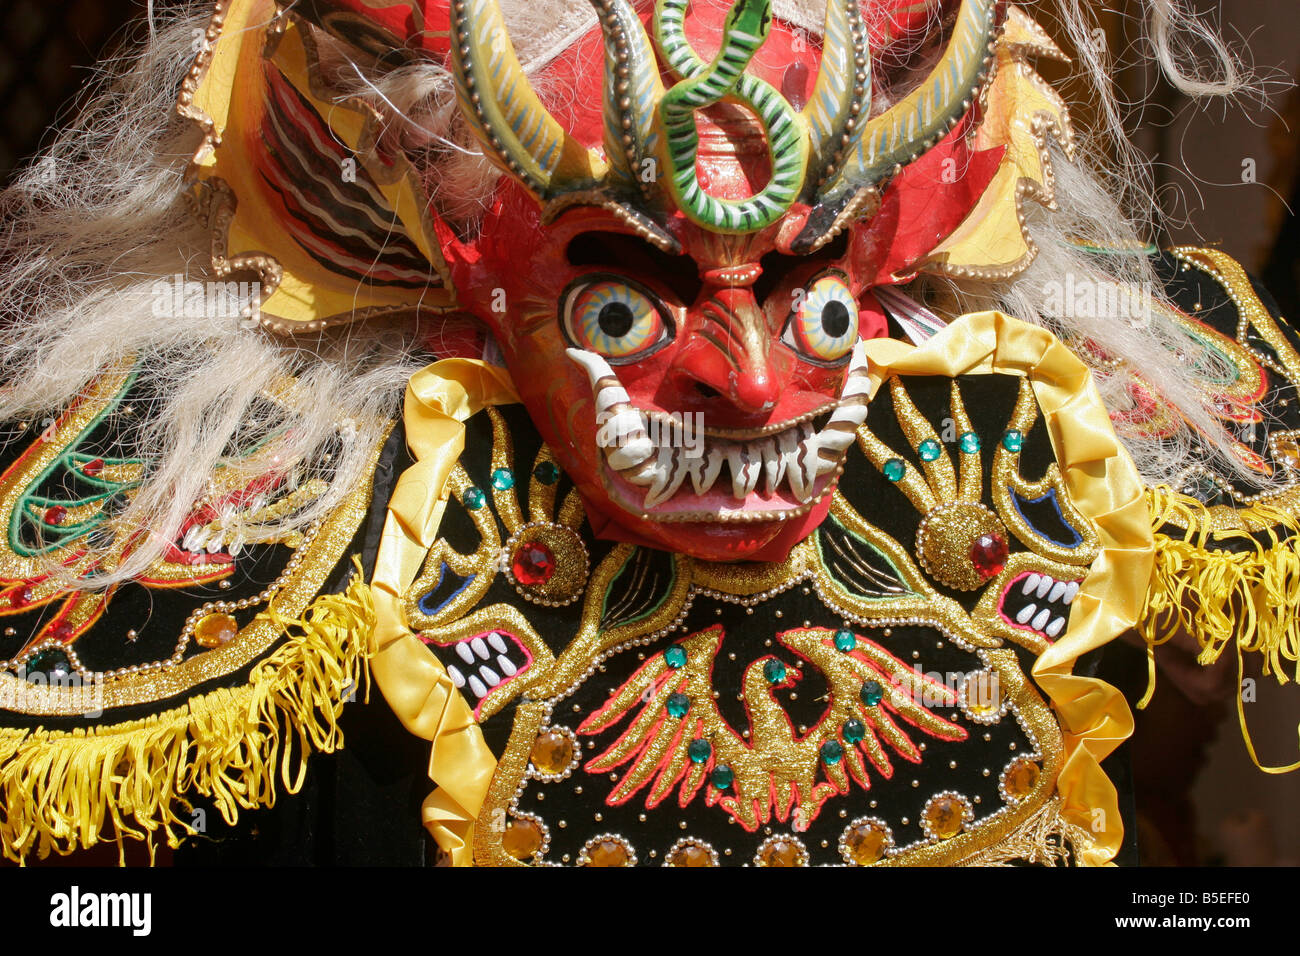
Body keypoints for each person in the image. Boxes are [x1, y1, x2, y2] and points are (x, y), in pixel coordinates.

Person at [0, 0, 1294, 866]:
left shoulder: (1043, 430)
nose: (743, 382)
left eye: (817, 293)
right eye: (629, 301)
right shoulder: (236, 517)